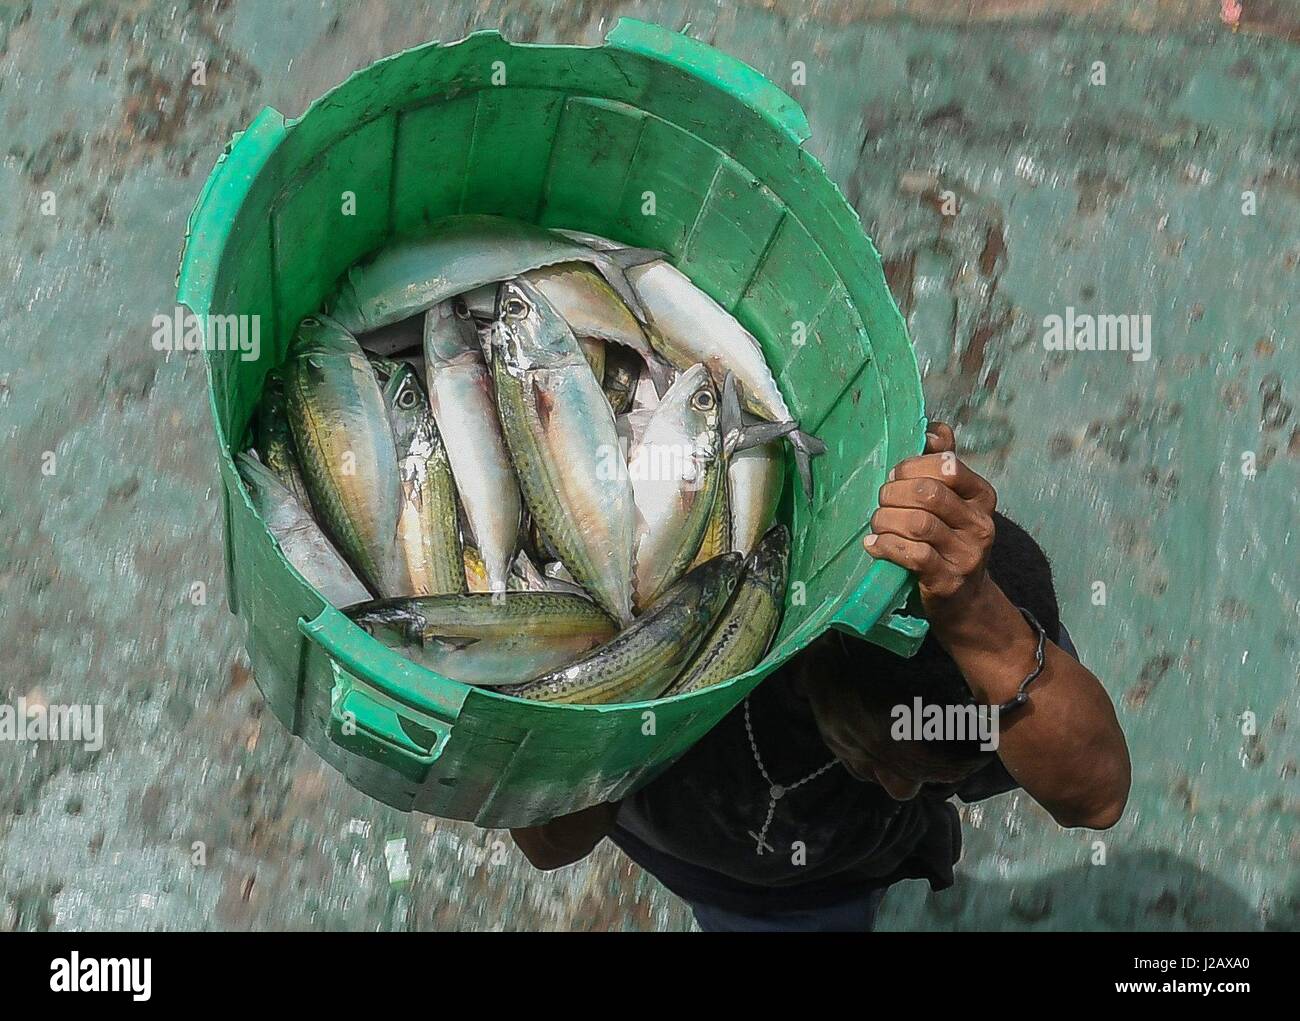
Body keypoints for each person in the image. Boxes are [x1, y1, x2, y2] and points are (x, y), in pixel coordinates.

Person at [511, 423, 1131, 931]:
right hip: (690, 862)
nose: (897, 791)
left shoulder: (995, 655)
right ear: (811, 662)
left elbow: (1098, 798)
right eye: (874, 754)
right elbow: (547, 844)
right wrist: (639, 697)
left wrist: (975, 615)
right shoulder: (751, 640)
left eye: (934, 780)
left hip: (832, 885)